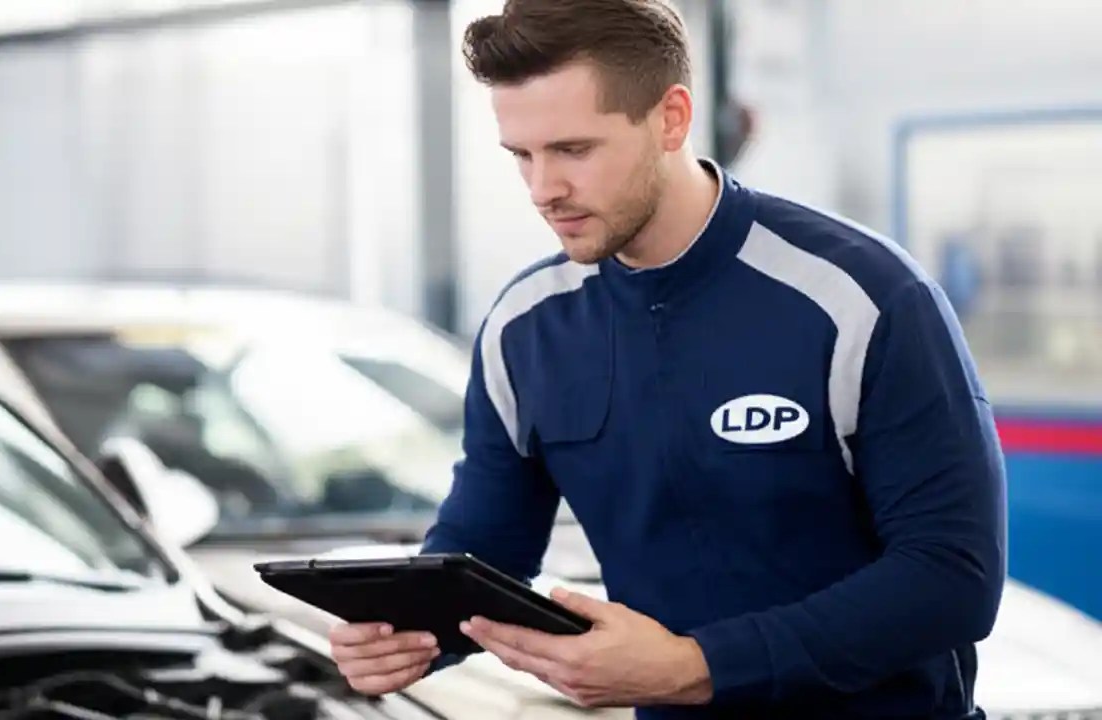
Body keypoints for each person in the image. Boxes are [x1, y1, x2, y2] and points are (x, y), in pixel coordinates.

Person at [328, 1, 1007, 717]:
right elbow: (486, 549)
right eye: (521, 155)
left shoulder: (861, 297)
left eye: (573, 150)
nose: (543, 189)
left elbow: (951, 578)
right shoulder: (525, 329)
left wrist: (697, 667)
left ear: (672, 119)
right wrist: (408, 632)